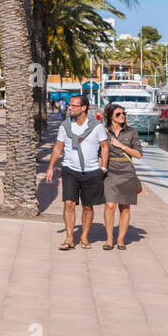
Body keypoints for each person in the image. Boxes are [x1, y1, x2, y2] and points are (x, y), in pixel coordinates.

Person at [43, 93, 109, 250]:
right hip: (70, 170)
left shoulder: (97, 126)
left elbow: (104, 146)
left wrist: (104, 167)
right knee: (69, 204)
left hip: (92, 171)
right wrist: (50, 167)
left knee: (87, 206)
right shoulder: (65, 126)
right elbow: (58, 147)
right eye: (69, 105)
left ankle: (84, 237)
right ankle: (69, 238)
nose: (69, 108)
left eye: (73, 105)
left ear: (84, 108)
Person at [101, 102, 143, 250]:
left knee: (124, 208)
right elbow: (98, 151)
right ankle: (109, 239)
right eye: (118, 114)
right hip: (110, 172)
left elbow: (138, 155)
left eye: (124, 113)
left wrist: (122, 146)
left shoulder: (131, 132)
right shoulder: (104, 131)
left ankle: (120, 240)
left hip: (127, 172)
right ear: (110, 116)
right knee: (110, 205)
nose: (122, 116)